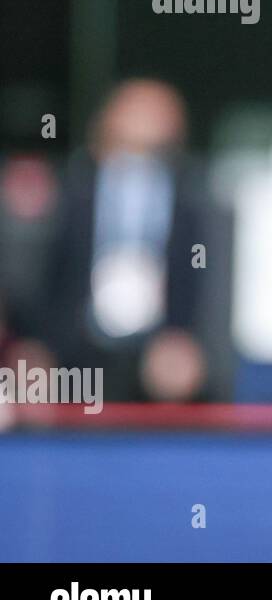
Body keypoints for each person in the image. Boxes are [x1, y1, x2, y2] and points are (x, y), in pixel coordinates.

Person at [38, 79, 231, 403]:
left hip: (163, 355)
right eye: (126, 146)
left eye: (154, 150)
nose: (137, 165)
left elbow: (213, 297)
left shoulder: (201, 207)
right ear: (101, 141)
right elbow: (42, 286)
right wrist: (35, 350)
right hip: (75, 352)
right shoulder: (66, 197)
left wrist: (190, 347)